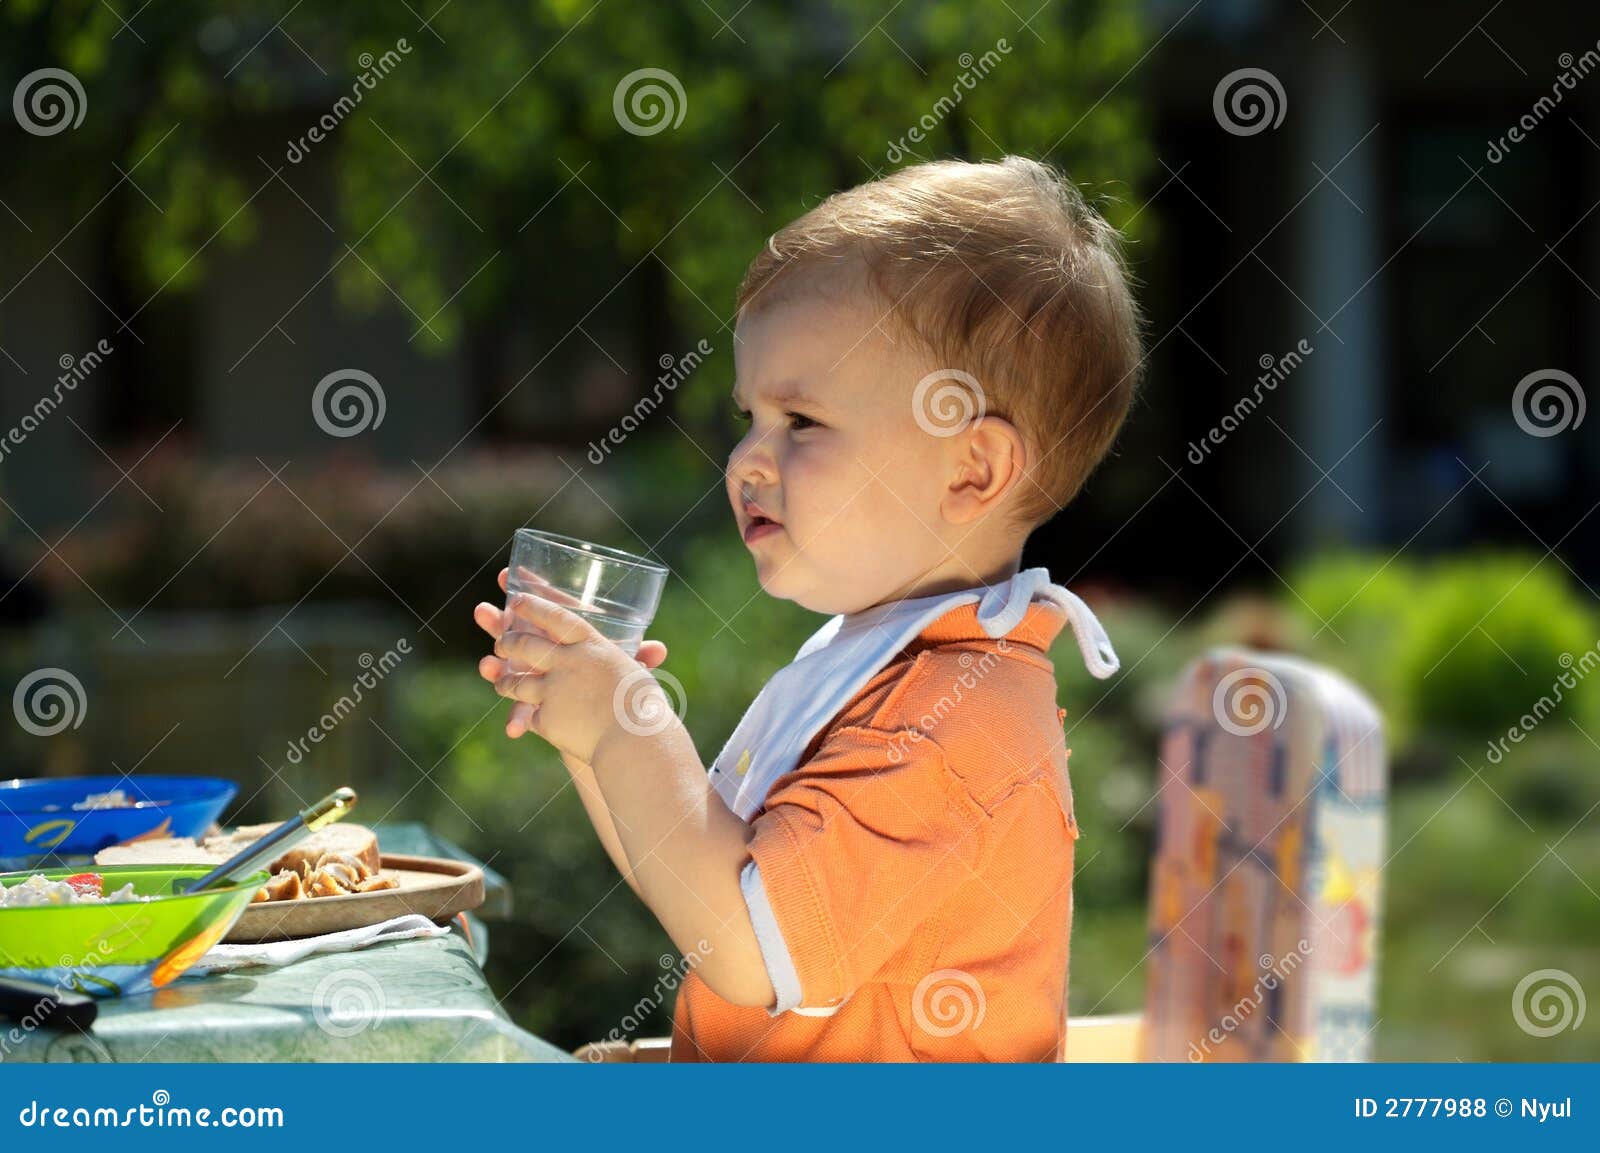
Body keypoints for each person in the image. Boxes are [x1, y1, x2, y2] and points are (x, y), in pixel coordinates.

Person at [474, 155, 1143, 1061]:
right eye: (748, 418)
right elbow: (701, 889)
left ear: (972, 470)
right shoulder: (892, 665)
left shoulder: (952, 729)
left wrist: (631, 728)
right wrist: (592, 733)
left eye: (802, 422)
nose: (746, 459)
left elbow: (746, 949)